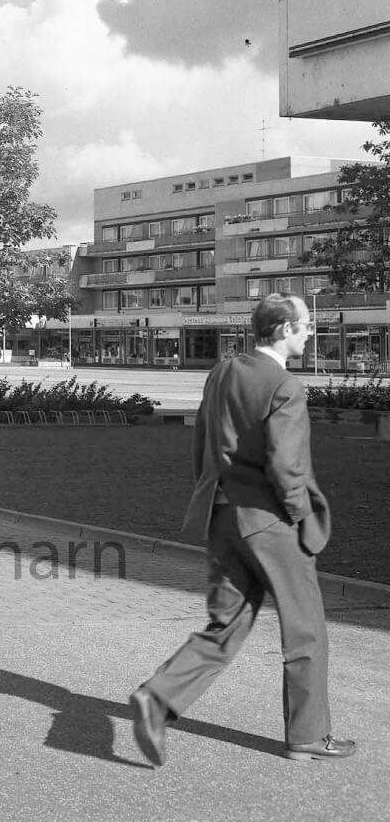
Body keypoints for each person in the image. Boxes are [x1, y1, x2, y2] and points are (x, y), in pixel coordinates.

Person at [129, 294, 355, 766]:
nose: (310, 333)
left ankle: (159, 696)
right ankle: (308, 736)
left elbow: (202, 442)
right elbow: (287, 467)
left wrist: (208, 496)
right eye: (306, 325)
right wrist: (300, 517)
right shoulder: (286, 386)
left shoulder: (222, 372)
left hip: (221, 515)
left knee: (227, 622)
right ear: (283, 331)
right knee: (306, 629)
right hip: (269, 522)